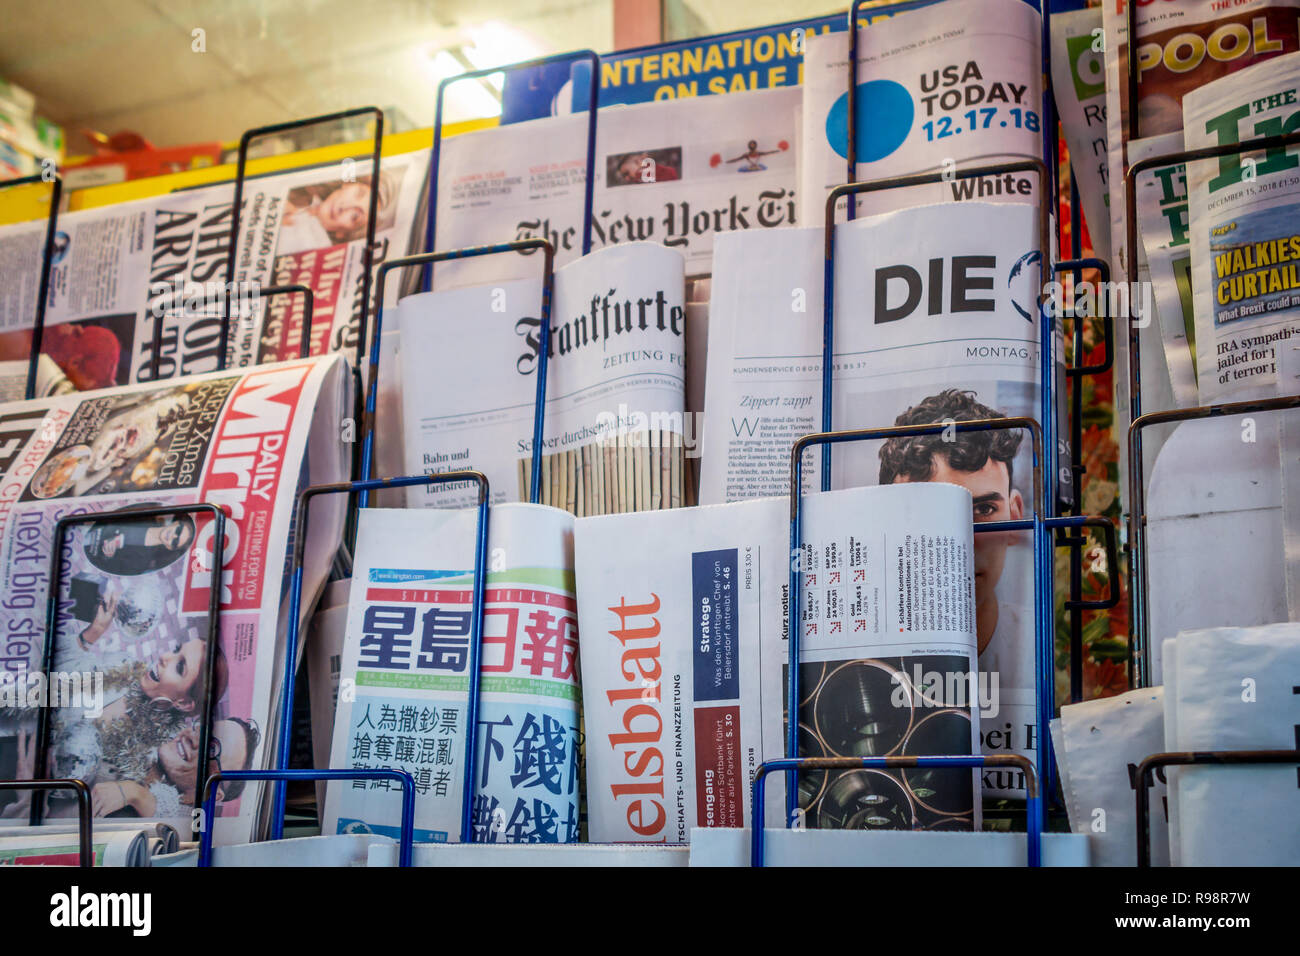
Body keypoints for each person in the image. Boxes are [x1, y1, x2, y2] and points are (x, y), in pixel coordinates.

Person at [877, 389, 1028, 688]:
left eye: (984, 509)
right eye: (926, 513)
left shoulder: (1045, 646)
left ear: (1015, 517)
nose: (960, 546)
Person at [89, 717, 260, 818]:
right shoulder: (139, 734)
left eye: (211, 748)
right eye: (203, 729)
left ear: (211, 792)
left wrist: (136, 794)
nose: (194, 737)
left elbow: (175, 819)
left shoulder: (177, 816)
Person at [278, 171, 399, 252]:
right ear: (347, 185)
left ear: (343, 234)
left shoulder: (312, 246)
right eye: (358, 194)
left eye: (355, 216)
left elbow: (259, 287)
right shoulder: (299, 189)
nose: (345, 207)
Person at [82, 513, 196, 576]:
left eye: (175, 542)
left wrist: (108, 556)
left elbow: (109, 571)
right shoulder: (145, 515)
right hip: (83, 528)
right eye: (178, 530)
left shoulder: (142, 563)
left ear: (169, 547)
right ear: (175, 523)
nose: (173, 536)